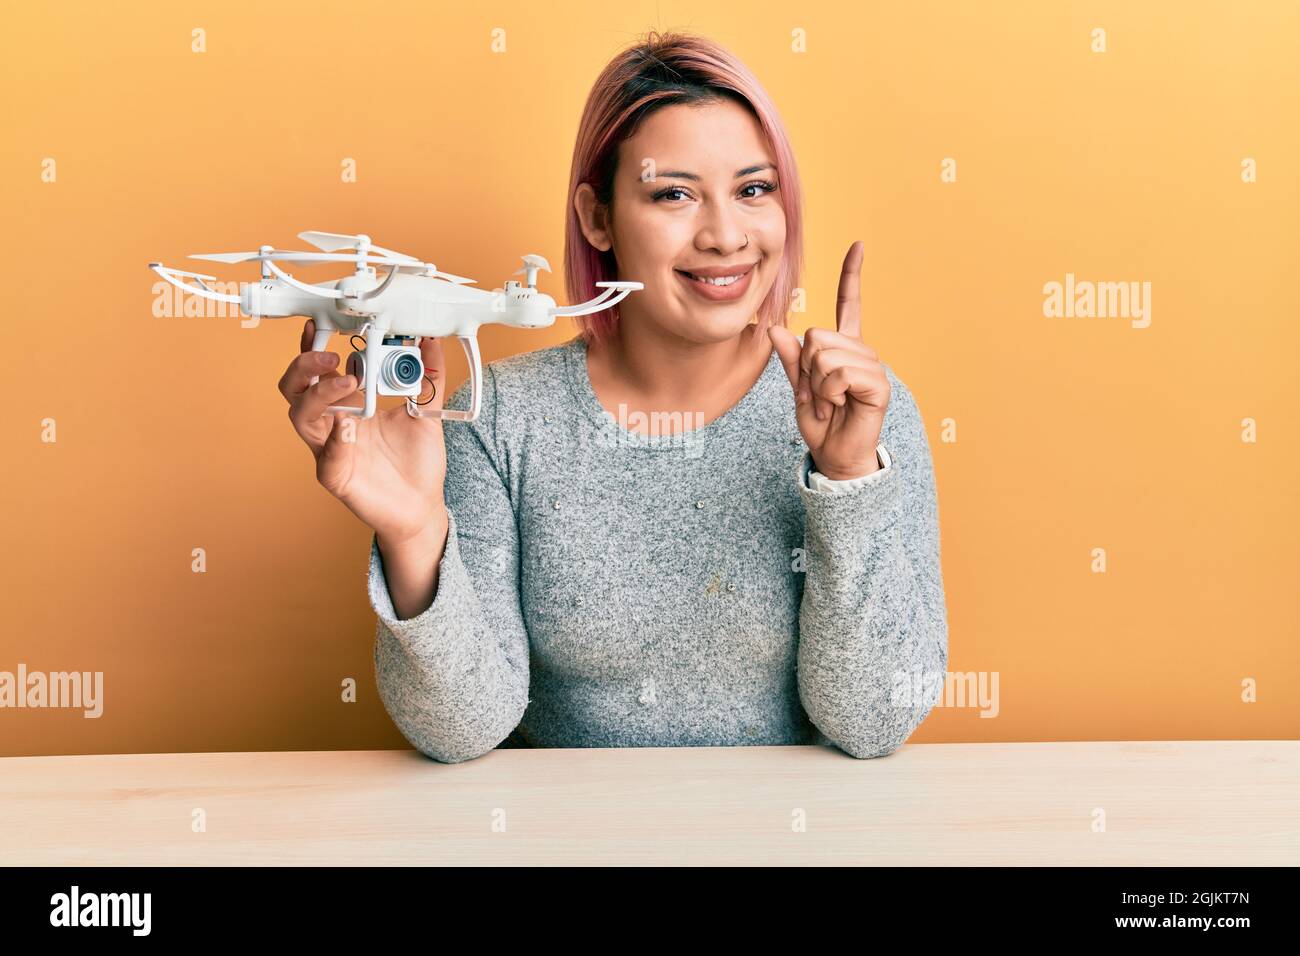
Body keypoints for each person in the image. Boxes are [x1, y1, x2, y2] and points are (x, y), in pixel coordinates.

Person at [277, 30, 948, 762]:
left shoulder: (862, 412)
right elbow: (461, 731)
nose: (726, 235)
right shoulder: (496, 420)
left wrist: (849, 483)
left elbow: (877, 720)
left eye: (754, 189)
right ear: (597, 218)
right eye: (674, 195)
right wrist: (415, 537)